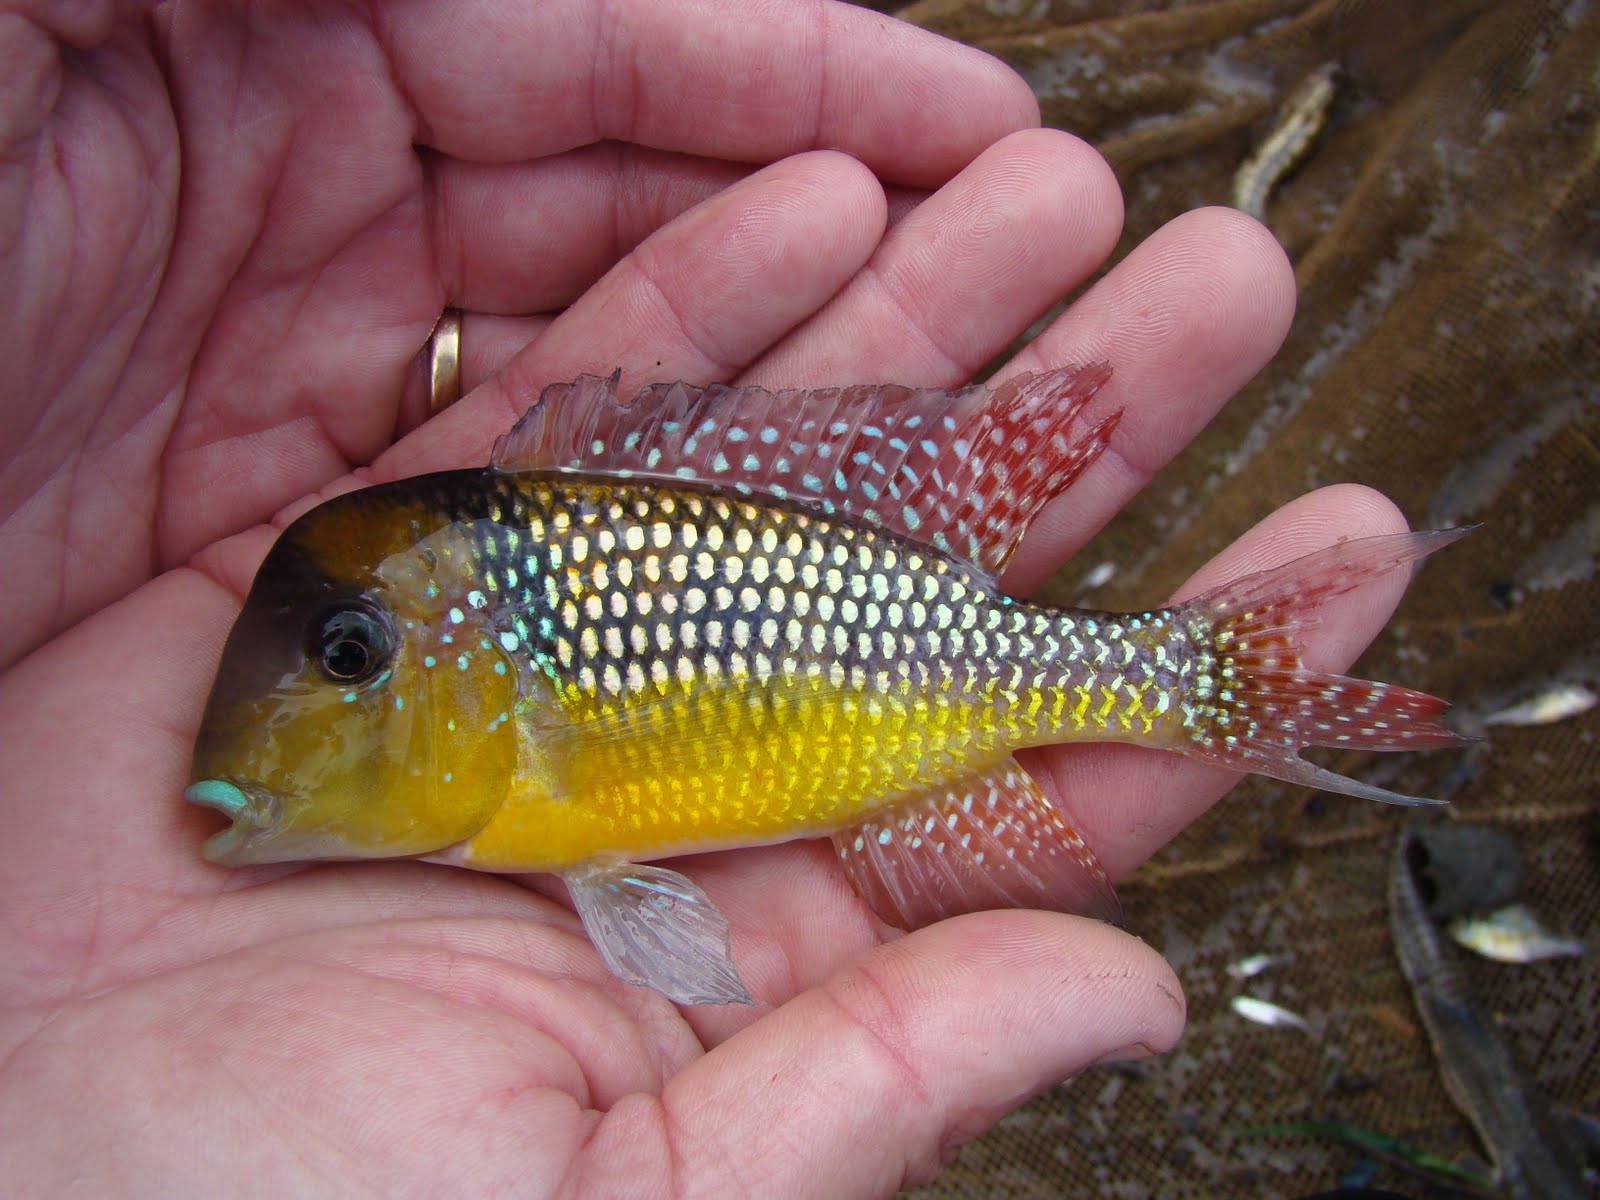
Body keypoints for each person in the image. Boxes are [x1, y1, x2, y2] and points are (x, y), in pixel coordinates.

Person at [0, 2, 1415, 1193]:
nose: (324, 684)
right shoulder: (489, 785)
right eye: (344, 646)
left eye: (353, 650)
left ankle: (1211, 683)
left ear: (460, 657)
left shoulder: (530, 770)